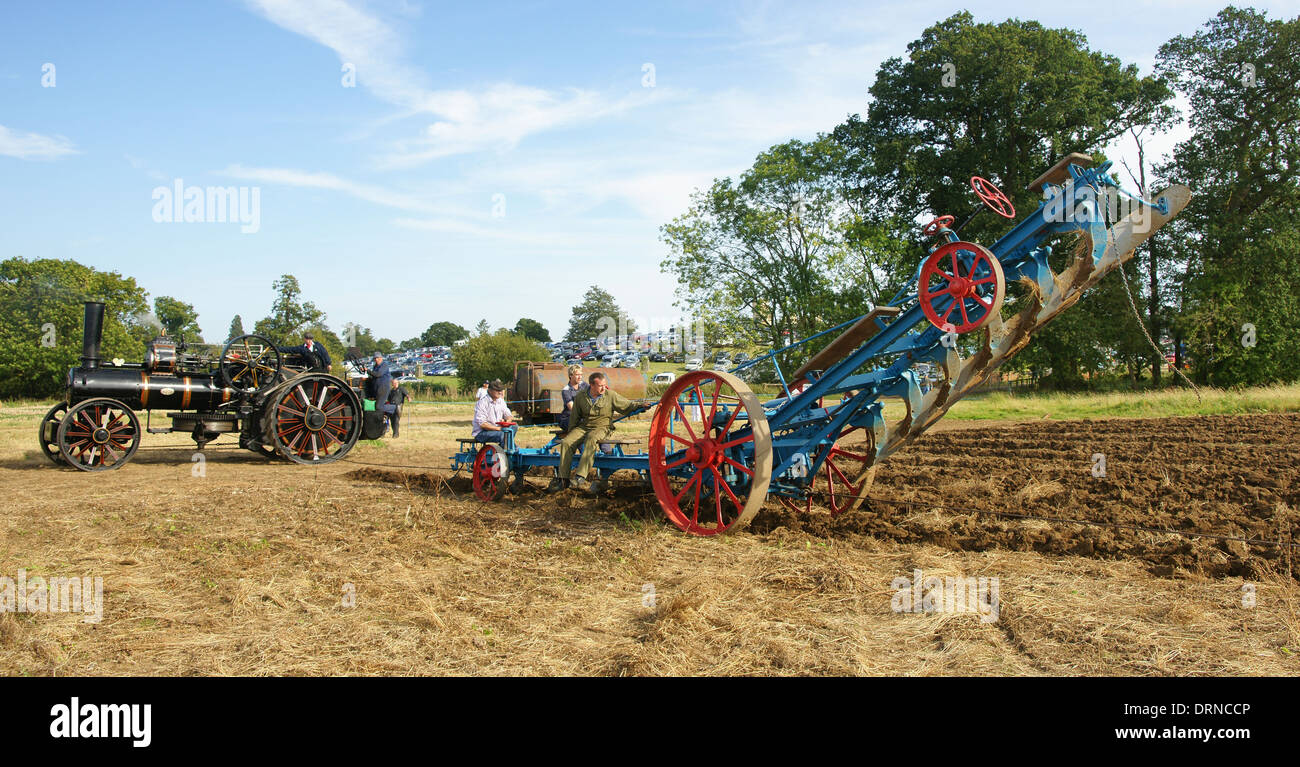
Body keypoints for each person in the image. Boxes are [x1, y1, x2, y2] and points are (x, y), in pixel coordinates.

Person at [549, 371, 640, 494]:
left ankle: (580, 476)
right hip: (584, 426)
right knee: (566, 442)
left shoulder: (610, 395)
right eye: (600, 385)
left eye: (604, 385)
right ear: (592, 385)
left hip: (602, 427)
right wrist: (572, 434)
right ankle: (563, 479)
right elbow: (575, 417)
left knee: (591, 438)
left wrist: (640, 406)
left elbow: (627, 405)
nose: (604, 388)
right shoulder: (581, 397)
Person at [471, 379, 512, 444]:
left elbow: (508, 415)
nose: (500, 392)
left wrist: (506, 422)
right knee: (502, 434)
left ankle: (506, 449)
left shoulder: (501, 401)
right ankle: (511, 450)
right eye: (497, 390)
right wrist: (499, 429)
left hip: (498, 430)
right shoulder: (482, 403)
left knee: (514, 427)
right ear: (489, 391)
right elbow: (482, 424)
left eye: (501, 390)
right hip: (482, 433)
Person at [556, 364, 587, 432]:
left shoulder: (584, 385)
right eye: (577, 375)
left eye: (581, 374)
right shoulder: (566, 390)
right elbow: (572, 408)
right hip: (568, 419)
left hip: (581, 418)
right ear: (570, 375)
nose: (580, 377)